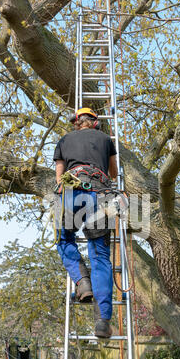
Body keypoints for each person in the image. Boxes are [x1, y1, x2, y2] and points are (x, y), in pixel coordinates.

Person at [53, 108, 118, 338]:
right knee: (100, 255)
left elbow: (59, 179)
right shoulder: (105, 139)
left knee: (64, 239)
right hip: (100, 192)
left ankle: (82, 283)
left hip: (73, 192)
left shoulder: (64, 140)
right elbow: (113, 172)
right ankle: (102, 321)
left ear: (76, 123)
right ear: (94, 123)